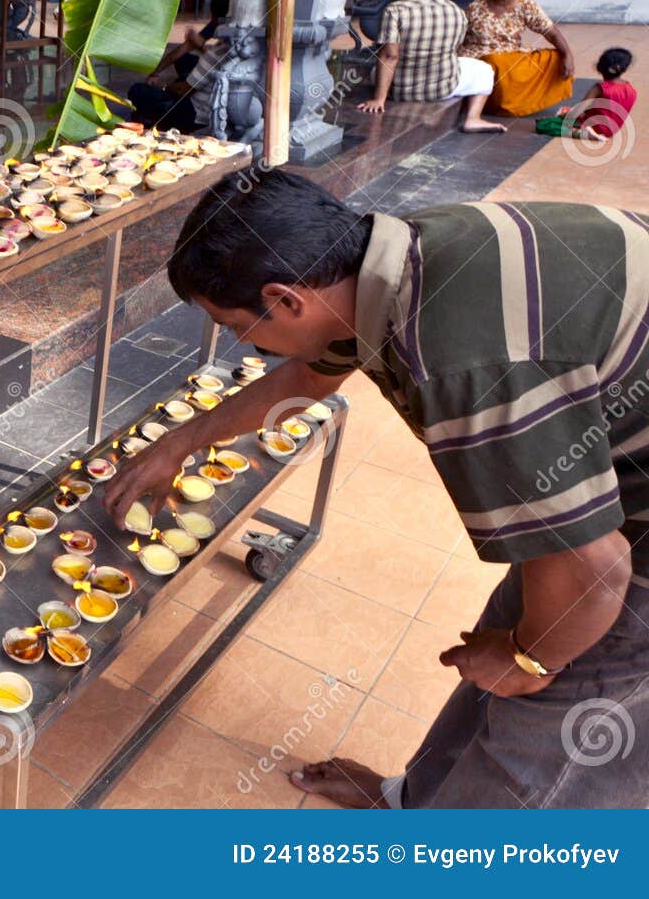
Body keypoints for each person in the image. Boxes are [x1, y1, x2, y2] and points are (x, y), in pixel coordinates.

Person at [105, 169, 649, 809]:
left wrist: (532, 661)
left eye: (232, 325)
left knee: (543, 731)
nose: (239, 342)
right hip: (615, 468)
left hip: (623, 537)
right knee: (518, 631)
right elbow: (307, 378)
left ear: (285, 299)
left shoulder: (459, 360)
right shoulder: (384, 260)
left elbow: (595, 572)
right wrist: (180, 442)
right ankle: (411, 802)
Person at [359, 0, 501, 133]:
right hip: (442, 89)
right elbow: (454, 50)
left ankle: (384, 93)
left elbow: (390, 56)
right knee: (484, 69)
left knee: (375, 69)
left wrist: (378, 99)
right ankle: (473, 119)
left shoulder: (396, 9)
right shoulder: (458, 12)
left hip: (399, 90)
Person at [460, 0, 574, 117]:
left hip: (510, 59)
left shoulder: (526, 5)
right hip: (479, 57)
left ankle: (518, 102)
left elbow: (550, 32)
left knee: (556, 58)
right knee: (494, 62)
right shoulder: (476, 6)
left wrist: (568, 55)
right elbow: (458, 33)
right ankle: (493, 104)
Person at [123, 31, 228, 132]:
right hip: (218, 108)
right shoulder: (232, 53)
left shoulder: (215, 54)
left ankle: (153, 121)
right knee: (186, 59)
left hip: (195, 114)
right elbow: (185, 49)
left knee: (137, 90)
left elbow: (182, 90)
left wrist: (165, 87)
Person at [574, 47, 636, 140]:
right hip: (612, 131)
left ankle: (583, 132)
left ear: (600, 67)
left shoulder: (600, 88)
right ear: (624, 69)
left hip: (594, 128)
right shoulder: (630, 88)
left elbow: (578, 110)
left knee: (554, 122)